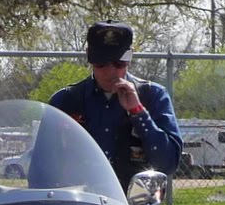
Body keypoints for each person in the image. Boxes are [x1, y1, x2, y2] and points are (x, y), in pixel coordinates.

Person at [48, 21, 182, 192]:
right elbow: (41, 167)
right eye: (101, 63)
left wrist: (138, 112)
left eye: (119, 63)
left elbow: (168, 163)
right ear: (89, 57)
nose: (110, 71)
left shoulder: (153, 96)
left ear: (130, 59)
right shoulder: (65, 101)